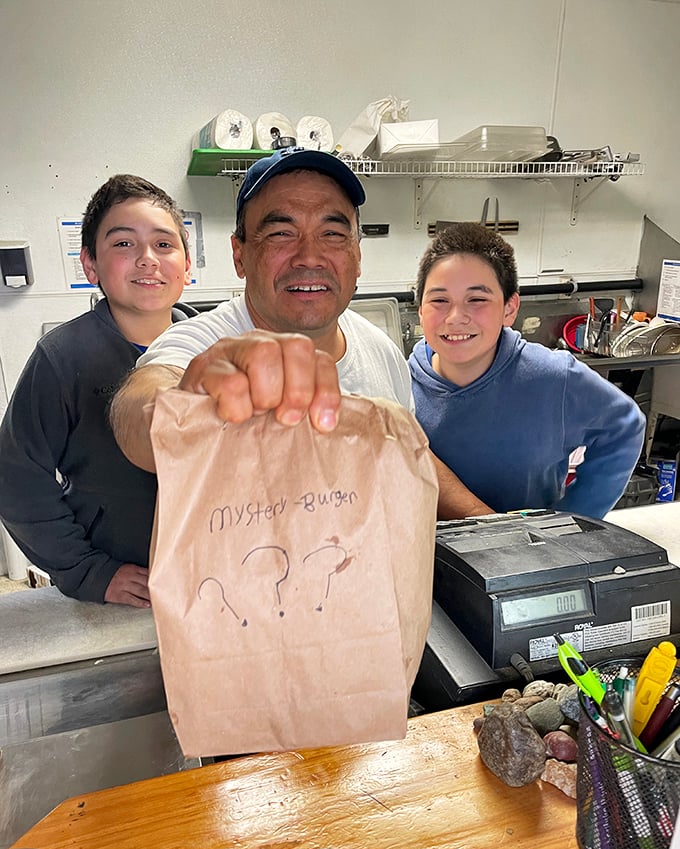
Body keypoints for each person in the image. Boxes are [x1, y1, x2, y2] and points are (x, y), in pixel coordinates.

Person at [110, 147, 490, 519]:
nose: (309, 256)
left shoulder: (382, 350)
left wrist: (492, 524)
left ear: (358, 256)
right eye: (280, 233)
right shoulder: (203, 342)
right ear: (240, 256)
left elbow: (411, 455)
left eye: (332, 234)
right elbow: (141, 407)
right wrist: (190, 402)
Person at [0, 174, 194, 606]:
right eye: (124, 244)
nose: (147, 259)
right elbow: (15, 478)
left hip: (212, 579)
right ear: (90, 265)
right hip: (123, 589)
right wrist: (89, 571)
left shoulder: (217, 350)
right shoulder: (62, 357)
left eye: (164, 245)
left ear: (187, 264)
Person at [408, 222, 646, 519]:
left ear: (509, 308)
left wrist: (572, 519)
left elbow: (625, 426)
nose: (456, 318)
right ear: (420, 309)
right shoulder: (400, 386)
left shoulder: (553, 378)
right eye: (440, 300)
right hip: (426, 560)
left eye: (477, 299)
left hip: (529, 560)